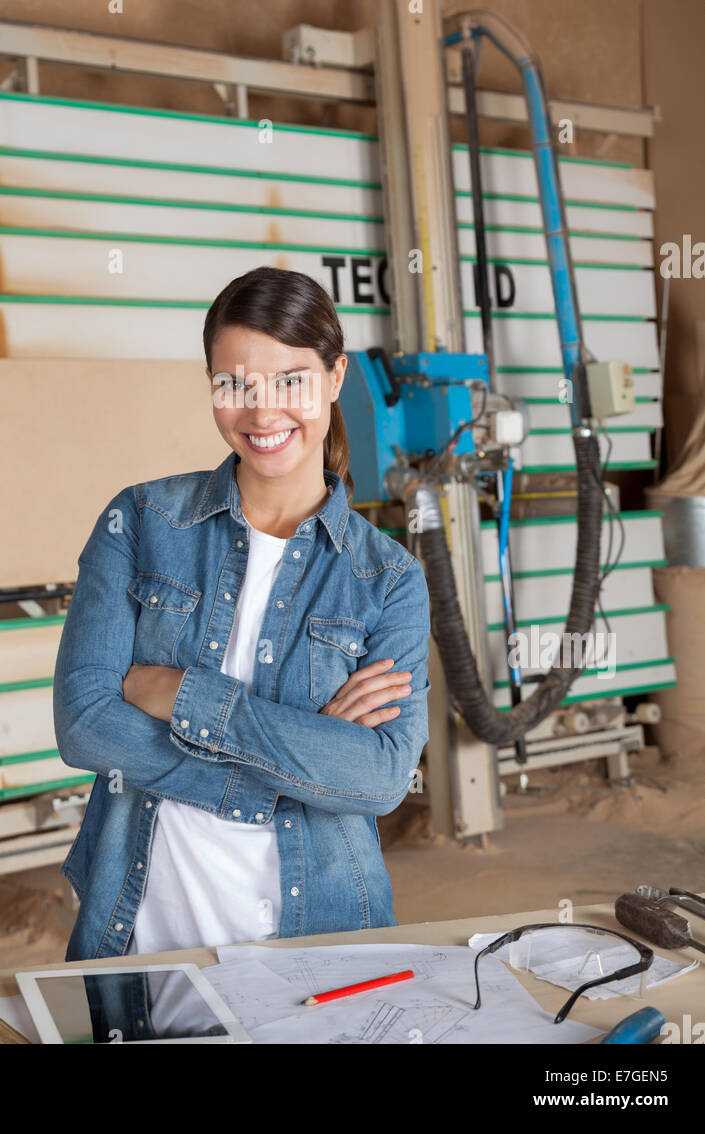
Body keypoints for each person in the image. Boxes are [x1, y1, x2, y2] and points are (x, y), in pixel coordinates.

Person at [53, 266, 431, 1034]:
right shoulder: (140, 522)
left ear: (335, 378)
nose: (262, 412)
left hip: (320, 941)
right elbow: (85, 722)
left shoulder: (386, 579)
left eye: (291, 380)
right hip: (141, 938)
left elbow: (382, 776)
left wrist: (184, 696)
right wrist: (297, 764)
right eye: (235, 383)